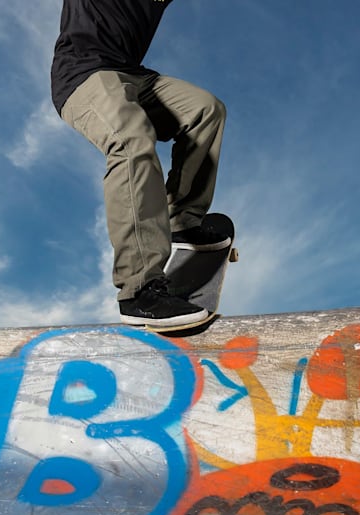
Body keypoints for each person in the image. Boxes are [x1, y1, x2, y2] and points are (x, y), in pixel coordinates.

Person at [51, 0, 229, 328]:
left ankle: (182, 220)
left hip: (134, 76)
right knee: (131, 139)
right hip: (83, 74)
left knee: (205, 110)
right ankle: (139, 289)